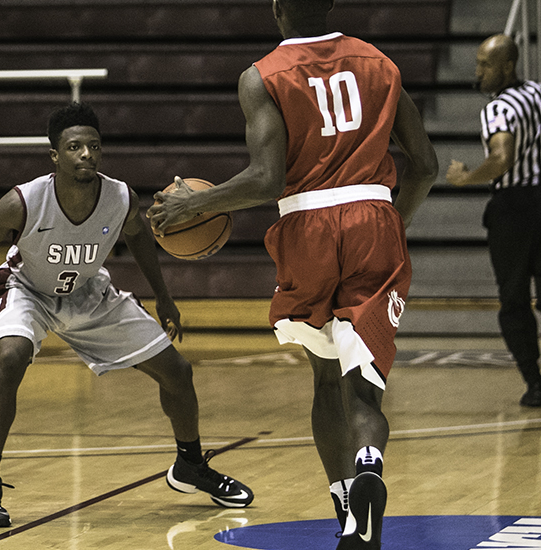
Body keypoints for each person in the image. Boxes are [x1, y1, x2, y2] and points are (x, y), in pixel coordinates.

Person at [147, 1, 438, 548]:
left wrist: (192, 206)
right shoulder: (379, 63)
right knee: (364, 390)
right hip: (373, 218)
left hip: (307, 226)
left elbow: (266, 179)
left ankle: (345, 505)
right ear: (330, 3)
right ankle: (369, 466)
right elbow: (425, 165)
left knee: (325, 378)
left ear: (277, 7)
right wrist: (390, 223)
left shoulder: (262, 76)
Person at [0, 102, 254, 529]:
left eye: (94, 146)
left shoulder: (119, 196)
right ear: (55, 155)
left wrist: (163, 297)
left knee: (177, 370)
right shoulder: (26, 200)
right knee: (11, 357)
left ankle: (190, 465)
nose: (86, 153)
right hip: (27, 290)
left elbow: (139, 237)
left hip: (87, 293)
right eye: (75, 147)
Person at [445, 34, 541, 408]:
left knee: (513, 299)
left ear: (508, 66)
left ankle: (535, 383)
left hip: (514, 209)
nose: (478, 72)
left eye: (486, 65)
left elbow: (501, 157)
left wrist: (466, 177)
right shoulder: (536, 93)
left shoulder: (498, 108)